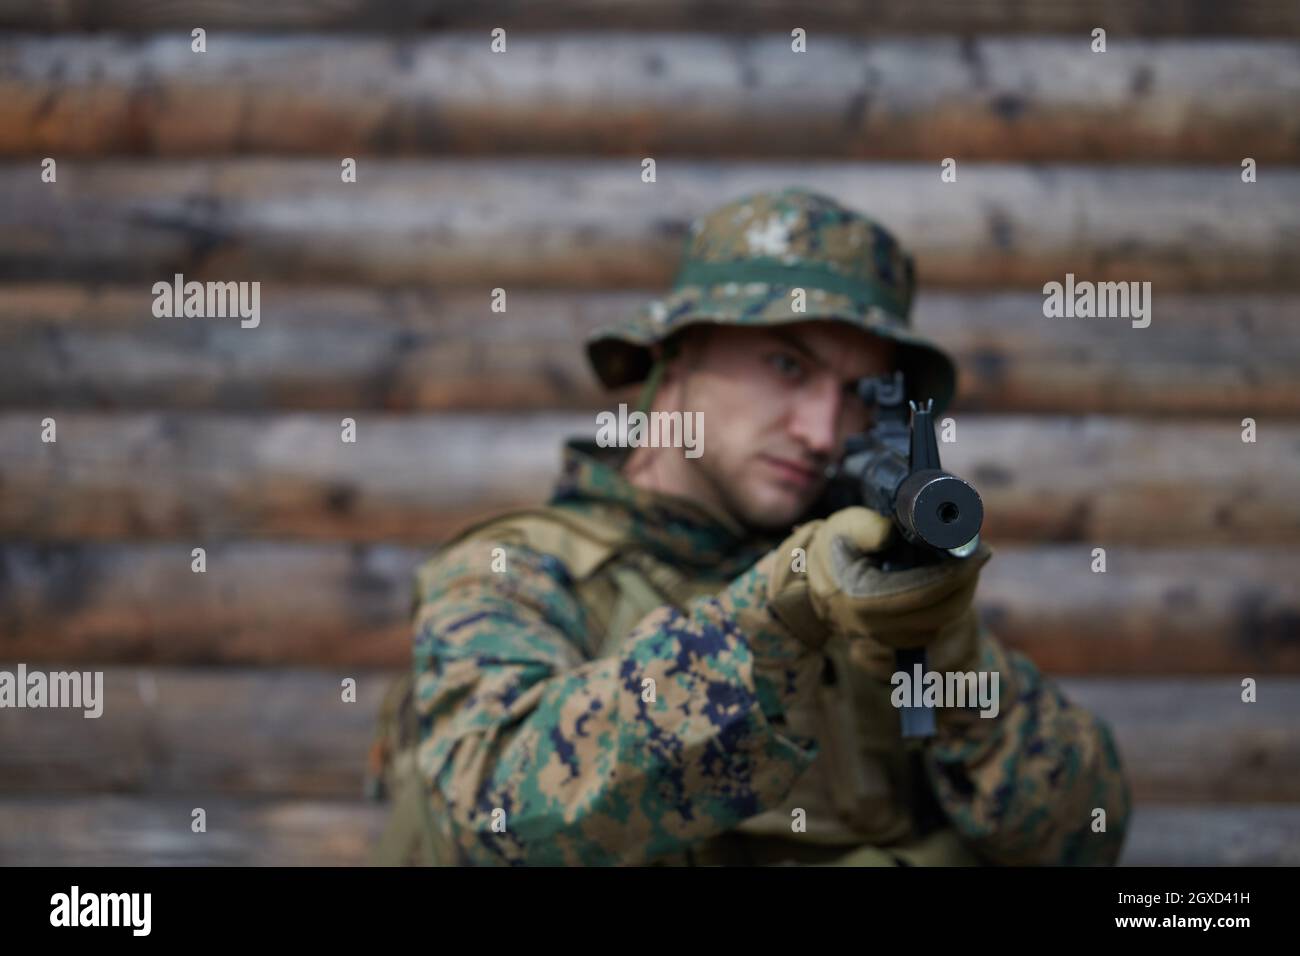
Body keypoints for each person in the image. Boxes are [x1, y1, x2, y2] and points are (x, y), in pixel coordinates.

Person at [369, 187, 1131, 866]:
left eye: (857, 393)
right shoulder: (519, 572)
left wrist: (958, 666)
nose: (821, 429)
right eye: (786, 366)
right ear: (675, 357)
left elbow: (1085, 834)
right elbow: (491, 814)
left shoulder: (868, 585)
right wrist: (773, 622)